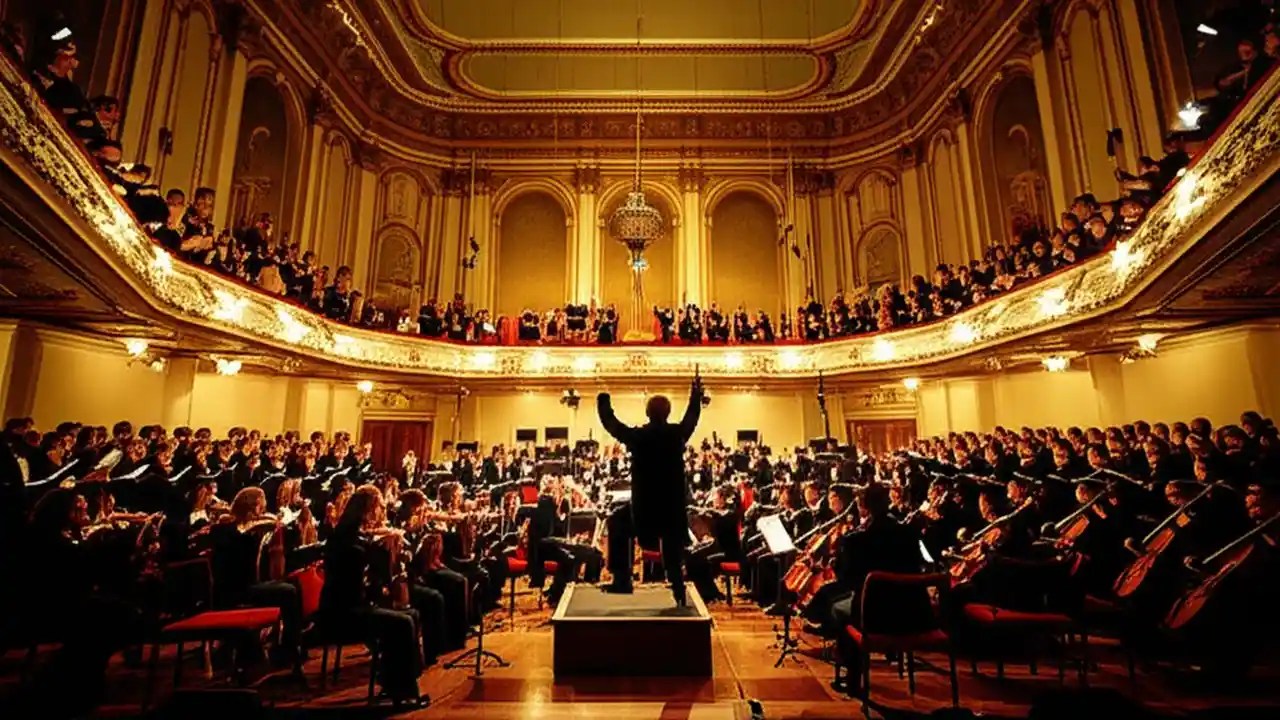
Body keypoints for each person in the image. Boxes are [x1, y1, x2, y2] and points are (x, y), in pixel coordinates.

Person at [597, 371, 704, 605]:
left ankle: (622, 580)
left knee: (616, 521)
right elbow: (692, 417)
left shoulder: (639, 436)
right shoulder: (677, 435)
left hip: (644, 510)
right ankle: (678, 590)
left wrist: (603, 398)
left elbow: (612, 425)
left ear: (648, 413)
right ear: (667, 413)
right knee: (673, 550)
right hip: (671, 509)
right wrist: (696, 394)